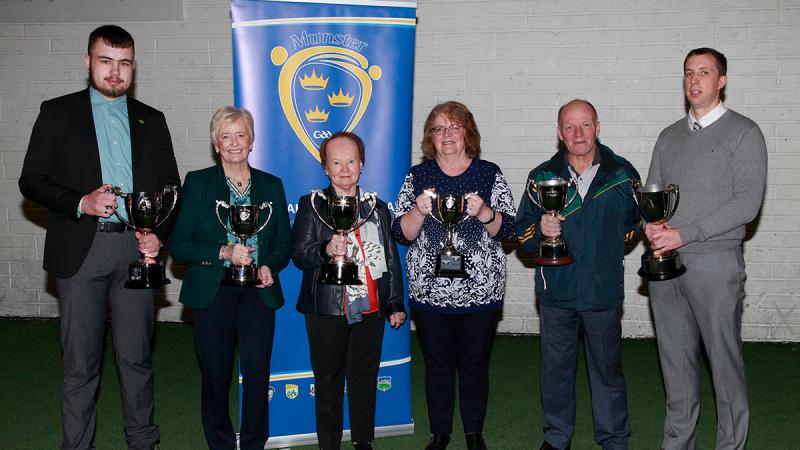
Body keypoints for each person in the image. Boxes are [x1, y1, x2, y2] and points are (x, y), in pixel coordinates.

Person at [18, 25, 179, 450]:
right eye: (105, 61)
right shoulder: (56, 113)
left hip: (135, 251)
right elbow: (31, 180)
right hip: (80, 250)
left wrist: (156, 235)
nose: (114, 72)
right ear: (88, 62)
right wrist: (81, 202)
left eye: (123, 63)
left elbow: (170, 190)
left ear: (132, 67)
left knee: (136, 360)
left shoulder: (152, 119)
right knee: (80, 365)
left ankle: (143, 442)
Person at [644, 48, 767, 450]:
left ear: (722, 81)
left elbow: (747, 205)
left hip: (715, 262)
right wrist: (654, 226)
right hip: (668, 266)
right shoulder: (668, 136)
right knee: (675, 367)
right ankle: (677, 444)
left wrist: (685, 233)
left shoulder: (745, 133)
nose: (694, 80)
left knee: (724, 368)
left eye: (704, 72)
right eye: (688, 73)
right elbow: (653, 195)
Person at [515, 99, 641, 450]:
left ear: (597, 128)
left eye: (585, 125)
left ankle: (614, 438)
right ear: (559, 134)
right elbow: (521, 234)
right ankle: (556, 438)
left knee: (607, 371)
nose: (578, 133)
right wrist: (541, 229)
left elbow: (636, 226)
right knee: (555, 372)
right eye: (570, 126)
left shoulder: (622, 173)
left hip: (602, 291)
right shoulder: (541, 177)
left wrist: (605, 242)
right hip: (557, 291)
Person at [391, 101, 516, 450]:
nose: (446, 135)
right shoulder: (418, 176)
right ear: (430, 137)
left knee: (475, 364)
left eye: (454, 127)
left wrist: (486, 212)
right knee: (438, 365)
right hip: (429, 292)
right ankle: (440, 432)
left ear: (468, 133)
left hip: (481, 291)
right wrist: (418, 209)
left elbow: (510, 230)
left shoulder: (488, 173)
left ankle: (474, 432)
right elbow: (401, 234)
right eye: (439, 128)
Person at [168, 106, 291, 450]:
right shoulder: (198, 182)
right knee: (216, 374)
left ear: (252, 140)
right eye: (226, 135)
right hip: (213, 292)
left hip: (258, 293)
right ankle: (220, 442)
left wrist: (270, 266)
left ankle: (253, 442)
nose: (234, 143)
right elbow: (179, 243)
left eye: (241, 134)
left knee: (257, 374)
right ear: (216, 142)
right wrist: (222, 252)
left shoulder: (271, 184)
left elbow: (284, 241)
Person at [291, 131, 406, 450]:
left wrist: (395, 302)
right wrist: (326, 249)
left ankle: (363, 439)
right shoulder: (311, 204)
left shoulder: (377, 208)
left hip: (371, 306)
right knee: (327, 379)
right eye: (336, 162)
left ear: (362, 164)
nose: (344, 168)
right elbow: (299, 253)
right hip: (326, 308)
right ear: (325, 167)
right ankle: (329, 443)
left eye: (351, 161)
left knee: (365, 375)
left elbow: (391, 258)